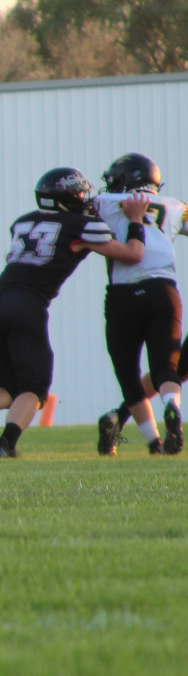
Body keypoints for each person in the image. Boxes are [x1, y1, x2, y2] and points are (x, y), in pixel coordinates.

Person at [0, 167, 145, 459]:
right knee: (34, 389)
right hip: (26, 305)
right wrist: (135, 221)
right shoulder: (80, 225)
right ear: (69, 197)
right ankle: (6, 444)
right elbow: (132, 254)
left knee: (8, 387)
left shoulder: (24, 222)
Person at [93, 153, 188, 456]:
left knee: (128, 374)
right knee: (166, 368)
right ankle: (172, 406)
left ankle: (155, 443)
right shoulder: (175, 206)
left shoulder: (104, 201)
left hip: (123, 294)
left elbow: (73, 211)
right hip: (164, 291)